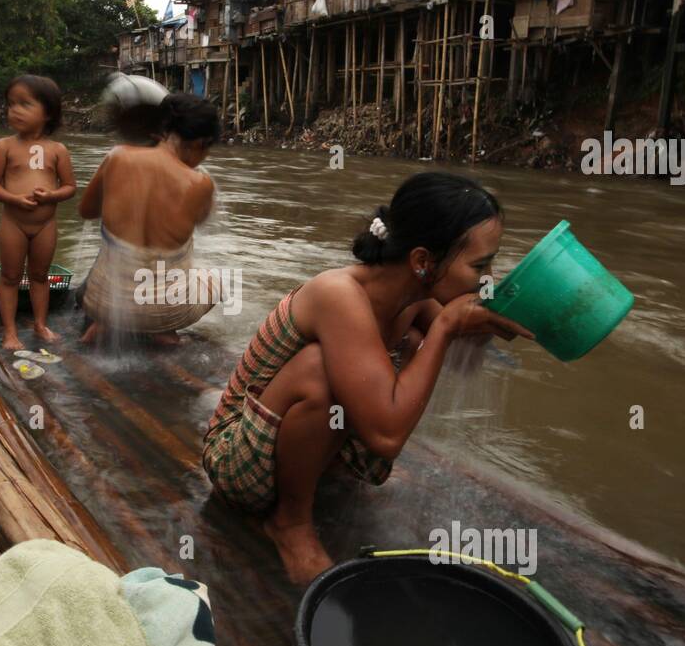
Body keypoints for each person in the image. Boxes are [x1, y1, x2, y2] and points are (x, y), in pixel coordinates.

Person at [201, 172, 534, 585]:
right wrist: (446, 326)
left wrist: (515, 313)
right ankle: (289, 522)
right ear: (422, 261)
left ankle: (317, 473)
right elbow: (386, 437)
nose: (488, 277)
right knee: (320, 369)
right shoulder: (338, 294)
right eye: (480, 265)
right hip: (236, 459)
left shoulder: (415, 298)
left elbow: (470, 348)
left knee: (412, 343)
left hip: (289, 445)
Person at [77, 93, 219, 346]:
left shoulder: (118, 156)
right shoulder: (201, 183)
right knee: (215, 281)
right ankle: (162, 331)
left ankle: (103, 324)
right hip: (166, 310)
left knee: (119, 250)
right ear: (201, 143)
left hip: (103, 303)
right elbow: (199, 221)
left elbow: (86, 211)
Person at [0, 75, 76, 351]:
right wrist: (13, 199)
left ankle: (40, 324)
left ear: (48, 112)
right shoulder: (5, 146)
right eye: (11, 104)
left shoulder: (58, 150)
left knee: (40, 276)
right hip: (14, 222)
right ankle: (10, 332)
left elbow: (70, 187)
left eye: (25, 104)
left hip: (45, 224)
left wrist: (52, 196)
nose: (15, 110)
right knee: (10, 277)